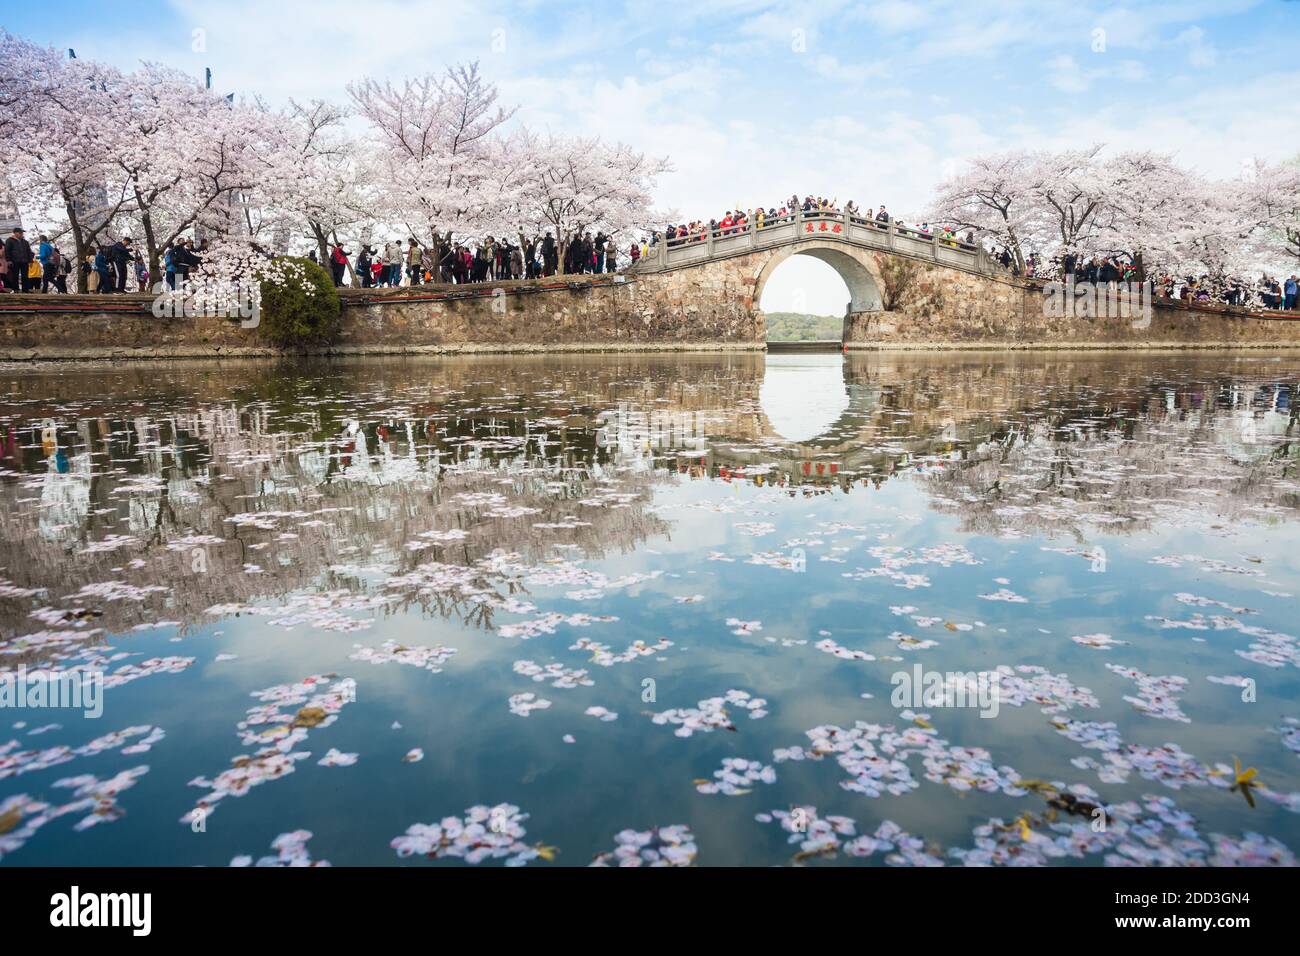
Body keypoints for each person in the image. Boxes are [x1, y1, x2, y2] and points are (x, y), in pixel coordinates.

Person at [4, 227, 32, 294]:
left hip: (24, 261)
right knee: (15, 275)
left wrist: (30, 260)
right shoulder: (9, 240)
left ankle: (25, 289)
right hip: (14, 261)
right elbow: (7, 250)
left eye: (22, 233)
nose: (22, 234)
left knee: (25, 276)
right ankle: (16, 289)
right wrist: (8, 260)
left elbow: (29, 251)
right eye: (20, 232)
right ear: (15, 233)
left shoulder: (25, 242)